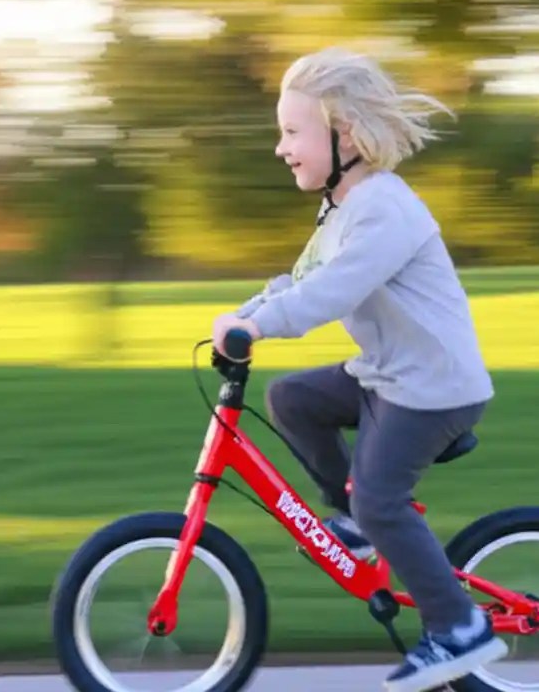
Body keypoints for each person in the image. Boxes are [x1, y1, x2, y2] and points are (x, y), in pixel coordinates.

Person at [211, 47, 506, 692]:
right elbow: (301, 278)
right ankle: (355, 525)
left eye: (293, 132)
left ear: (344, 135)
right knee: (292, 399)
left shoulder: (384, 209)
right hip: (389, 375)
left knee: (381, 498)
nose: (281, 147)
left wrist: (260, 327)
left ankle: (459, 629)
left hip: (433, 389)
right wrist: (245, 313)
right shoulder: (342, 207)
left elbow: (331, 293)